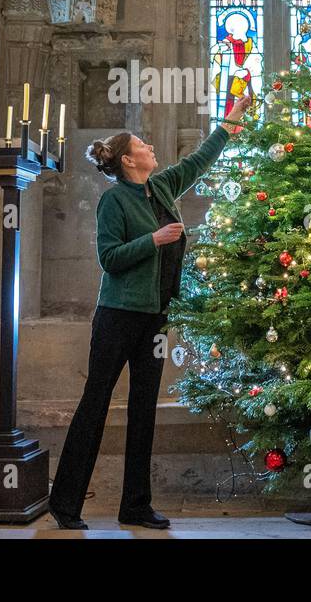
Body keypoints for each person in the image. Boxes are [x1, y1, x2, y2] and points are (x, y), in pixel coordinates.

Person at [48, 92, 253, 529]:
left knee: (145, 408)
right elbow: (110, 258)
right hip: (118, 315)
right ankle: (66, 506)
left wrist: (233, 118)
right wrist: (155, 241)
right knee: (96, 403)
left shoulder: (160, 187)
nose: (152, 149)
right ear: (127, 160)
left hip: (157, 315)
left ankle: (136, 505)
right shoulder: (114, 201)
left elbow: (200, 161)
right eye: (143, 146)